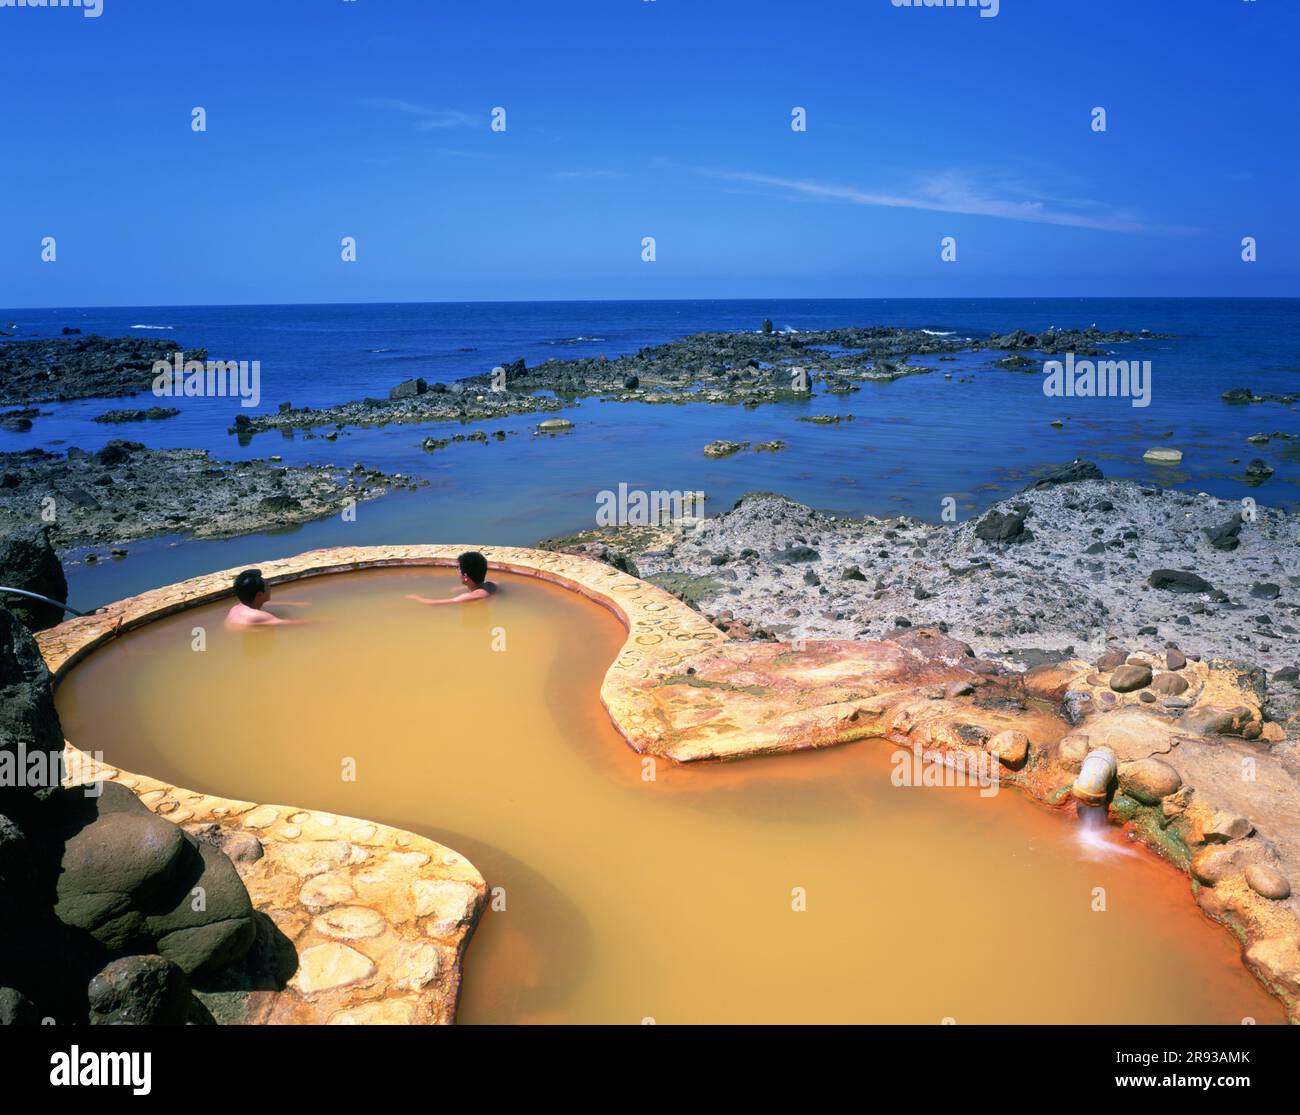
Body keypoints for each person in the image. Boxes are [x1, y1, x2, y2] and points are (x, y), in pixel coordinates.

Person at [406, 551, 496, 606]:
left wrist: (416, 597)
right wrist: (463, 588)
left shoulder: (467, 597)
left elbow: (431, 603)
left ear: (465, 577)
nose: (457, 571)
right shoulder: (491, 585)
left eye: (458, 569)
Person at [225, 569, 308, 626]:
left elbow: (265, 604)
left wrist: (291, 604)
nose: (270, 587)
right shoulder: (257, 616)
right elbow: (292, 624)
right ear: (259, 595)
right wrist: (318, 621)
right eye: (267, 586)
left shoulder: (237, 608)